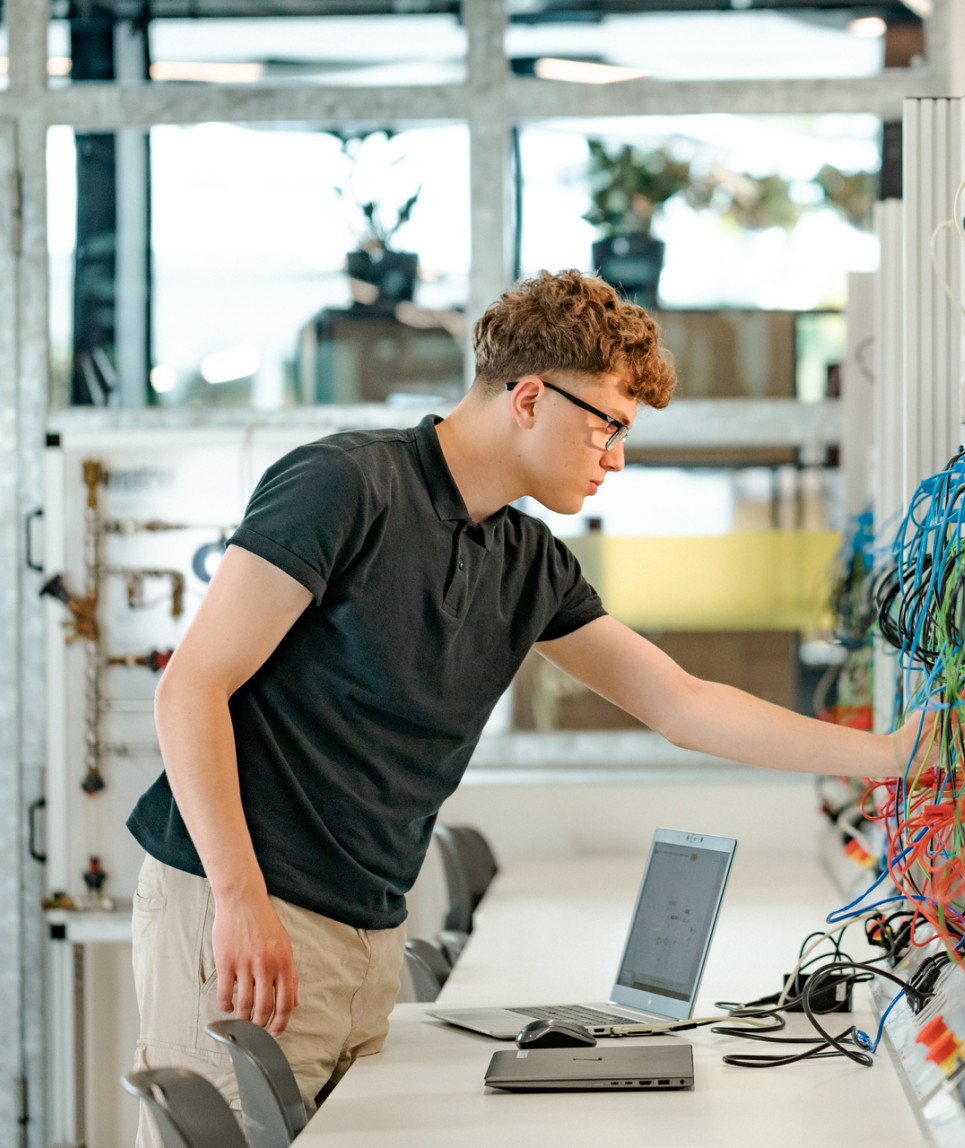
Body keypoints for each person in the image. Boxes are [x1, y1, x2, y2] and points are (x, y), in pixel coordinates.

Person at [125, 270, 917, 1143]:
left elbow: (683, 705)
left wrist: (891, 754)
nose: (616, 455)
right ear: (531, 397)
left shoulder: (527, 560)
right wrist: (240, 899)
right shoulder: (345, 486)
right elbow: (192, 687)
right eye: (608, 425)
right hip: (241, 906)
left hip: (368, 932)